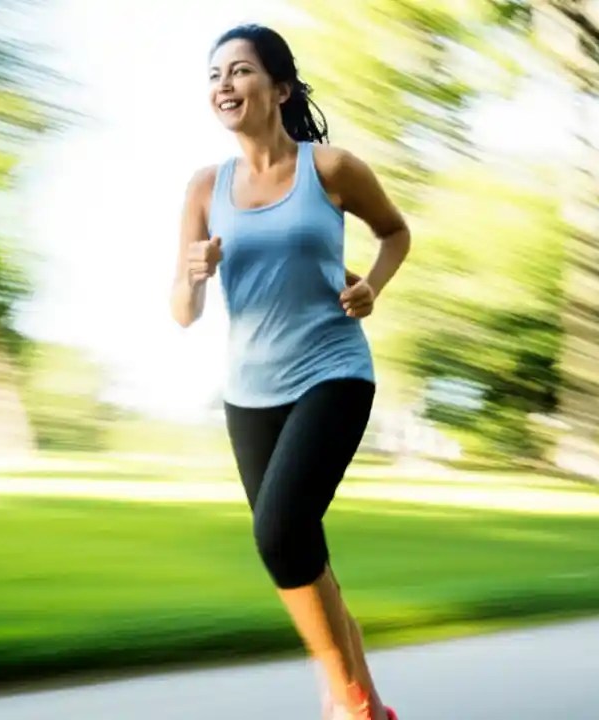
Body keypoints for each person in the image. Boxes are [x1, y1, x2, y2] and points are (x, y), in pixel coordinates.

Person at [169, 23, 411, 720]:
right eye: (215, 75)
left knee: (278, 534)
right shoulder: (203, 188)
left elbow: (394, 232)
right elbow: (183, 312)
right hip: (249, 391)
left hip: (333, 370)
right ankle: (366, 704)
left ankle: (350, 702)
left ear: (279, 88)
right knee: (299, 543)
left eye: (239, 71)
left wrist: (375, 287)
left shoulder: (329, 169)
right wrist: (193, 275)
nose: (223, 85)